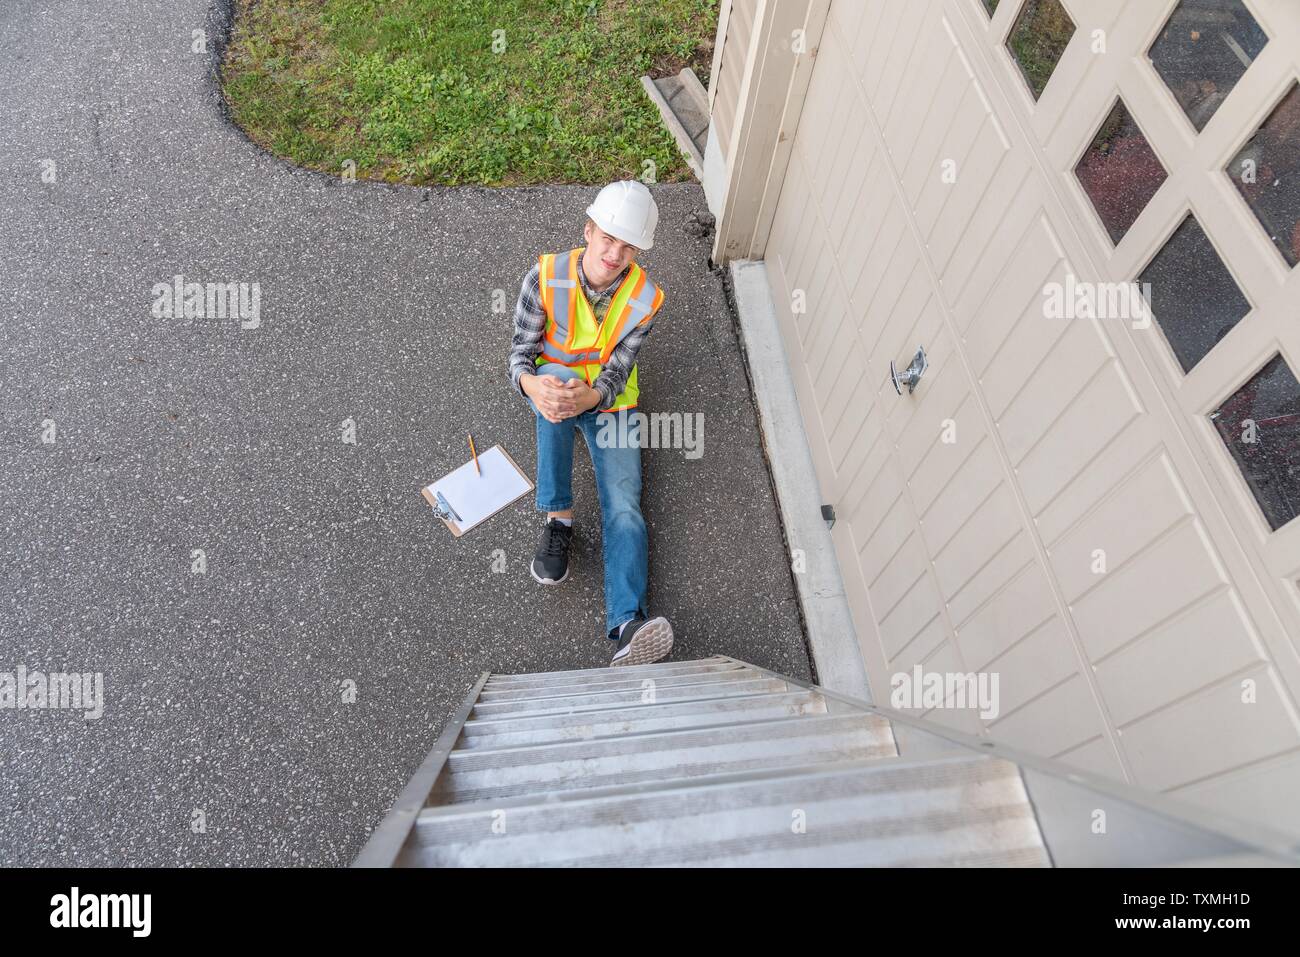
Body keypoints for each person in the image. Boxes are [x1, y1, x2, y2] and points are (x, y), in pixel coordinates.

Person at [507, 180, 674, 667]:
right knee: (554, 384)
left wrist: (596, 393)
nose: (614, 252)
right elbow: (519, 355)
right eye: (607, 238)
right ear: (588, 230)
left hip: (610, 402)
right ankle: (558, 519)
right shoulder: (544, 277)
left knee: (625, 506)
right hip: (556, 392)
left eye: (627, 245)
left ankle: (628, 623)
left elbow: (621, 365)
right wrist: (531, 386)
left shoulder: (645, 297)